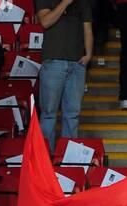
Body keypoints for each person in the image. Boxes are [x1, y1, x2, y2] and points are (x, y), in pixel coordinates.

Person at [37, 0, 92, 151]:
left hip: (77, 63)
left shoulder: (82, 3)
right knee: (49, 113)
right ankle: (46, 156)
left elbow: (87, 28)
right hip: (53, 62)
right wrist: (65, 3)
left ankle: (67, 159)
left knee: (72, 114)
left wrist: (88, 54)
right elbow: (45, 22)